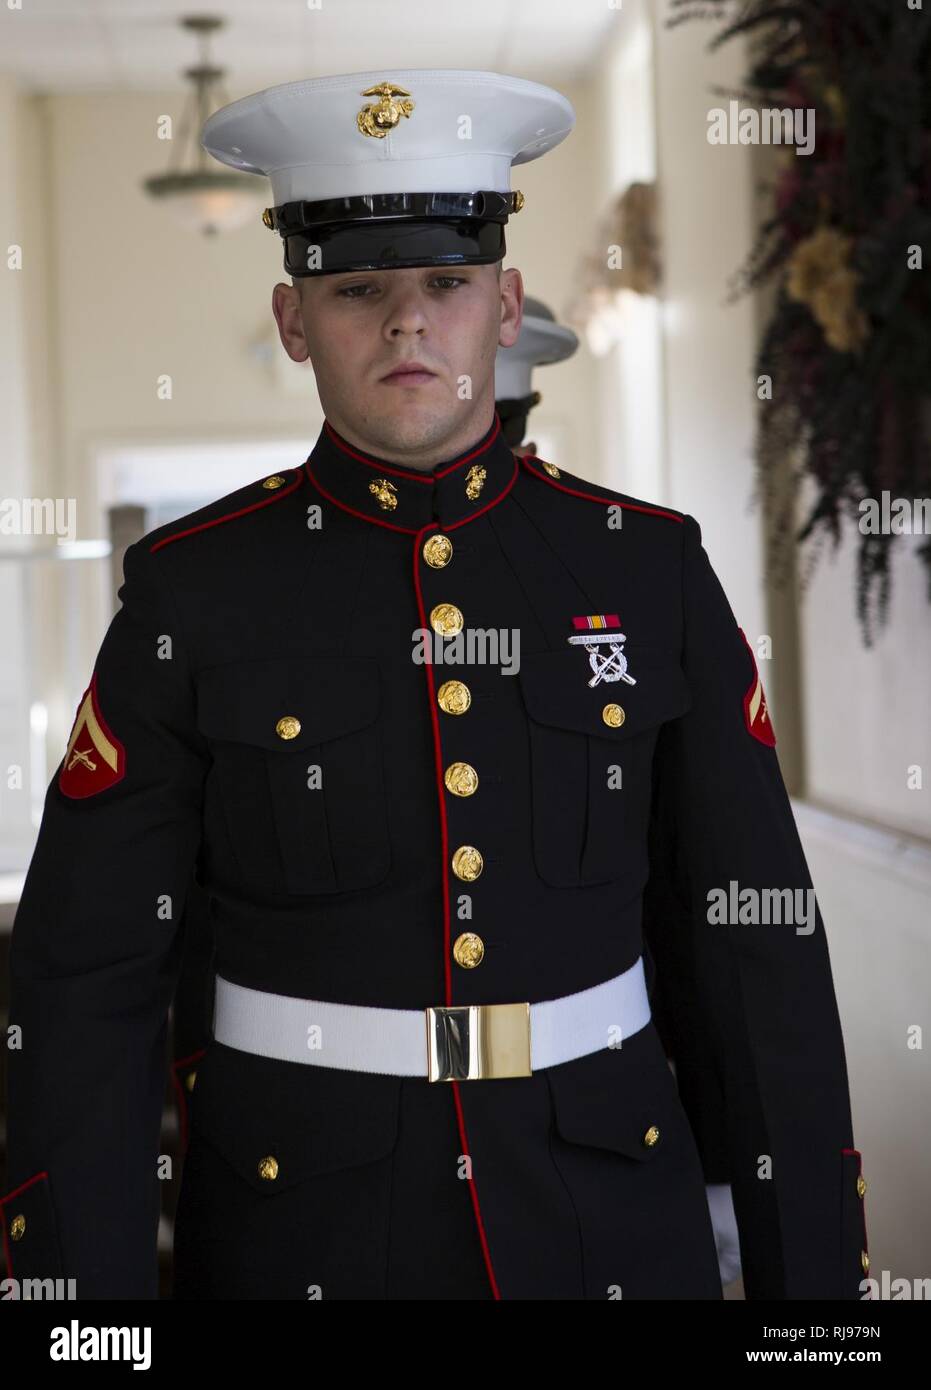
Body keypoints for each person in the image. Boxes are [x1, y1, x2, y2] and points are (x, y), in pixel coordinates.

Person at [1, 68, 868, 1301]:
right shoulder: (194, 593)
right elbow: (88, 984)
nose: (406, 324)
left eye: (446, 285)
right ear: (294, 320)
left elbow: (753, 951)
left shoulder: (647, 565)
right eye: (357, 288)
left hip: (611, 1216)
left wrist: (813, 1302)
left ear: (504, 307)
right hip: (299, 1229)